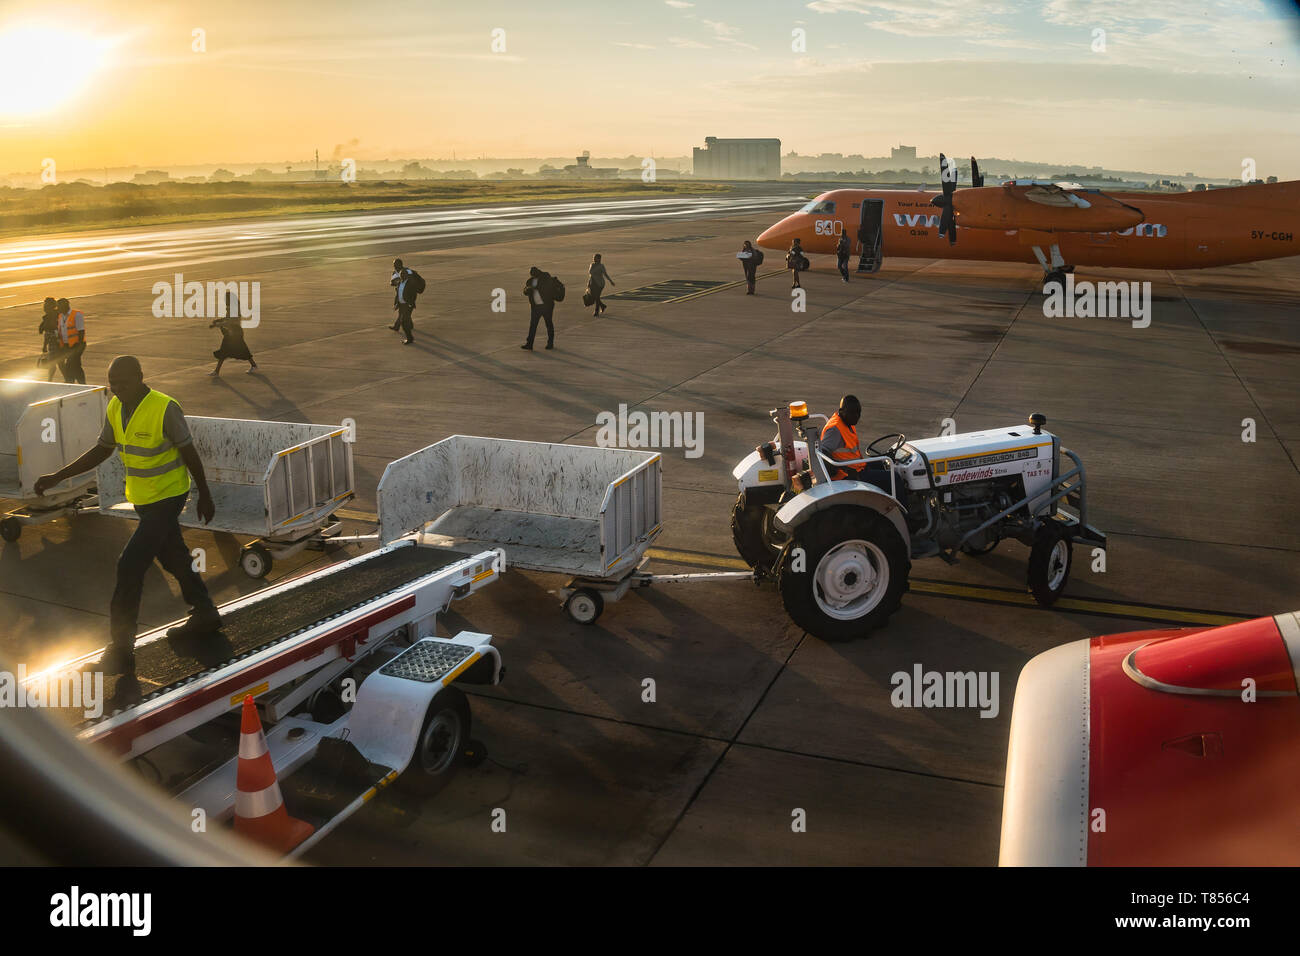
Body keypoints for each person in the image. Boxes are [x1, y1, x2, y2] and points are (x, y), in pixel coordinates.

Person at [33, 356, 221, 682]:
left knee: (129, 565)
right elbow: (102, 449)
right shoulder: (115, 408)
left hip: (168, 497)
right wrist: (58, 476)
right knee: (174, 556)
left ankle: (121, 652)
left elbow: (189, 452)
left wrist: (204, 493)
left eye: (123, 382)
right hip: (144, 499)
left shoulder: (164, 407)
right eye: (112, 384)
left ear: (140, 377)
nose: (117, 389)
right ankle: (205, 612)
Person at [209, 290, 258, 375]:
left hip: (235, 333)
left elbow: (230, 321)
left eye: (226, 299)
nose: (225, 301)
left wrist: (218, 325)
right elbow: (227, 318)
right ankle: (253, 365)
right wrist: (218, 321)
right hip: (232, 332)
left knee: (236, 350)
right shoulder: (231, 308)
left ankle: (217, 371)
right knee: (228, 350)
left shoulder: (234, 309)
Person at [521, 266, 556, 351]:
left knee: (547, 324)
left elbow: (546, 289)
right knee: (535, 325)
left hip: (546, 306)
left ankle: (549, 343)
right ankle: (530, 343)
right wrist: (528, 290)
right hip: (537, 307)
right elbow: (525, 291)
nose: (532, 276)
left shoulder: (545, 278)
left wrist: (534, 288)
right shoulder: (531, 281)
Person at [55, 297, 87, 384]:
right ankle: (81, 383)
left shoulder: (77, 315)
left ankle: (71, 382)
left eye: (59, 307)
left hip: (77, 345)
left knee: (70, 365)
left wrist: (78, 347)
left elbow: (81, 331)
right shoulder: (60, 316)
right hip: (66, 346)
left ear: (66, 306)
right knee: (76, 366)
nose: (58, 309)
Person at [389, 258, 419, 345]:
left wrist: (411, 302)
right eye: (394, 265)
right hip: (401, 297)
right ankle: (406, 326)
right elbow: (391, 283)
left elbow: (414, 283)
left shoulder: (408, 271)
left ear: (400, 264)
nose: (394, 266)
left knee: (404, 319)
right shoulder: (395, 272)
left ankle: (409, 337)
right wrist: (395, 282)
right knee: (403, 314)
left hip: (408, 299)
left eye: (395, 265)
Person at [37, 297, 62, 381]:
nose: (44, 308)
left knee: (53, 362)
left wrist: (44, 345)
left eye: (46, 306)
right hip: (55, 343)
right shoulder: (50, 316)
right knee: (58, 363)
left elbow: (49, 333)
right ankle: (68, 379)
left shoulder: (53, 317)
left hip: (56, 343)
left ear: (51, 306)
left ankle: (50, 380)